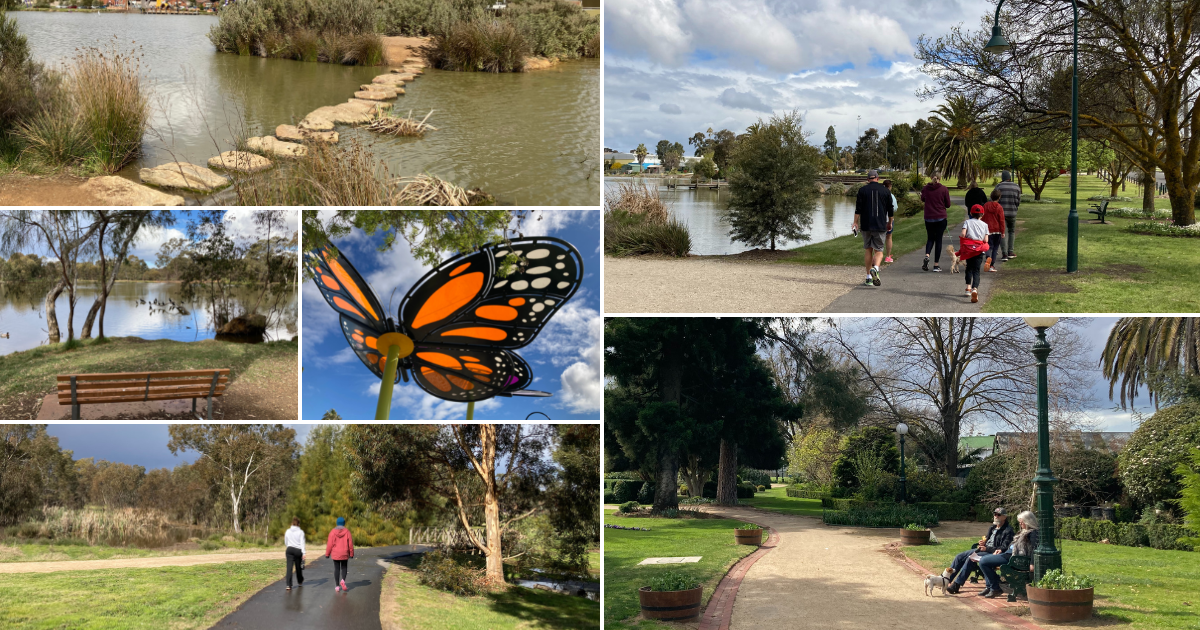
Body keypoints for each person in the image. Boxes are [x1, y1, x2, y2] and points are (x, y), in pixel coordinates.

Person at [946, 508, 1014, 595]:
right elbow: (987, 540)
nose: (996, 516)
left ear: (1004, 517)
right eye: (995, 514)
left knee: (970, 558)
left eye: (998, 515)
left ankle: (956, 585)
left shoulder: (1008, 530)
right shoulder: (992, 527)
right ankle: (946, 579)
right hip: (983, 549)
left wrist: (987, 549)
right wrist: (983, 542)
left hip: (992, 553)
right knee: (959, 556)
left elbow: (1004, 548)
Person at [976, 510, 1040, 599]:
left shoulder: (1033, 533)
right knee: (983, 559)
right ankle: (991, 586)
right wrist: (1001, 550)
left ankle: (995, 587)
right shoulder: (1024, 531)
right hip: (1007, 554)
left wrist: (1032, 563)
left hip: (1014, 558)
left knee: (983, 561)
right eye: (1020, 522)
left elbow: (1035, 549)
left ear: (1028, 522)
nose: (1020, 524)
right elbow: (1010, 545)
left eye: (1022, 522)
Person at [852, 170, 895, 286]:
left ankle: (868, 277)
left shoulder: (862, 190)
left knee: (868, 249)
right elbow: (890, 209)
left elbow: (858, 208)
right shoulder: (885, 191)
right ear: (878, 178)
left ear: (867, 179)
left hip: (866, 224)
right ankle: (875, 268)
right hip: (880, 224)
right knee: (879, 250)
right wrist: (890, 222)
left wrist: (855, 222)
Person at [919, 172, 951, 272]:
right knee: (938, 240)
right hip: (940, 217)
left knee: (930, 238)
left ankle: (927, 255)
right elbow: (948, 204)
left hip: (929, 217)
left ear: (930, 177)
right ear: (940, 178)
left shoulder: (925, 188)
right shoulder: (943, 189)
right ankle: (936, 265)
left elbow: (923, 198)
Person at [960, 205, 990, 303]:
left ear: (971, 213)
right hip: (979, 249)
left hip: (969, 249)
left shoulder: (967, 222)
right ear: (982, 214)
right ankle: (975, 289)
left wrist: (963, 239)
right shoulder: (985, 225)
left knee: (969, 268)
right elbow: (986, 239)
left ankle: (968, 288)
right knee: (976, 270)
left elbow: (963, 234)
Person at [992, 171, 1022, 259]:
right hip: (1012, 212)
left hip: (1001, 213)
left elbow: (994, 199)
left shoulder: (999, 186)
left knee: (1002, 232)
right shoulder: (1016, 186)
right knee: (1012, 231)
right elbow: (1018, 201)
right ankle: (1010, 251)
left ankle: (1004, 253)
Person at [326, 517, 355, 593]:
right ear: (344, 523)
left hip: (335, 553)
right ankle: (343, 580)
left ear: (337, 523)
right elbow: (350, 544)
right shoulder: (347, 532)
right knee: (344, 567)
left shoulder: (332, 532)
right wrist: (351, 553)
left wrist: (327, 554)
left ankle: (337, 586)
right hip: (344, 553)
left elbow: (329, 544)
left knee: (337, 569)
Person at [981, 189, 1007, 272]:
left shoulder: (986, 206)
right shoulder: (999, 207)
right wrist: (1003, 232)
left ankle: (988, 256)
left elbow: (983, 217)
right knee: (995, 248)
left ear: (991, 196)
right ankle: (992, 265)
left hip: (988, 230)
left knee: (988, 246)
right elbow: (1002, 220)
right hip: (997, 230)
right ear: (999, 197)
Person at [284, 517, 305, 591]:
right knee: (298, 567)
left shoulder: (288, 531)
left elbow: (286, 541)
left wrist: (289, 546)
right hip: (298, 550)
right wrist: (304, 553)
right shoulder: (301, 532)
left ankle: (288, 585)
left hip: (289, 549)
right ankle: (299, 581)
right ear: (298, 524)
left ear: (292, 523)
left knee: (289, 568)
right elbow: (302, 543)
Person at [882, 179, 899, 263]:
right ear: (890, 187)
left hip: (880, 219)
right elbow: (895, 208)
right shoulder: (891, 196)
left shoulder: (879, 195)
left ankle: (878, 255)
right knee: (889, 237)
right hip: (889, 219)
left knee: (879, 237)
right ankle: (888, 256)